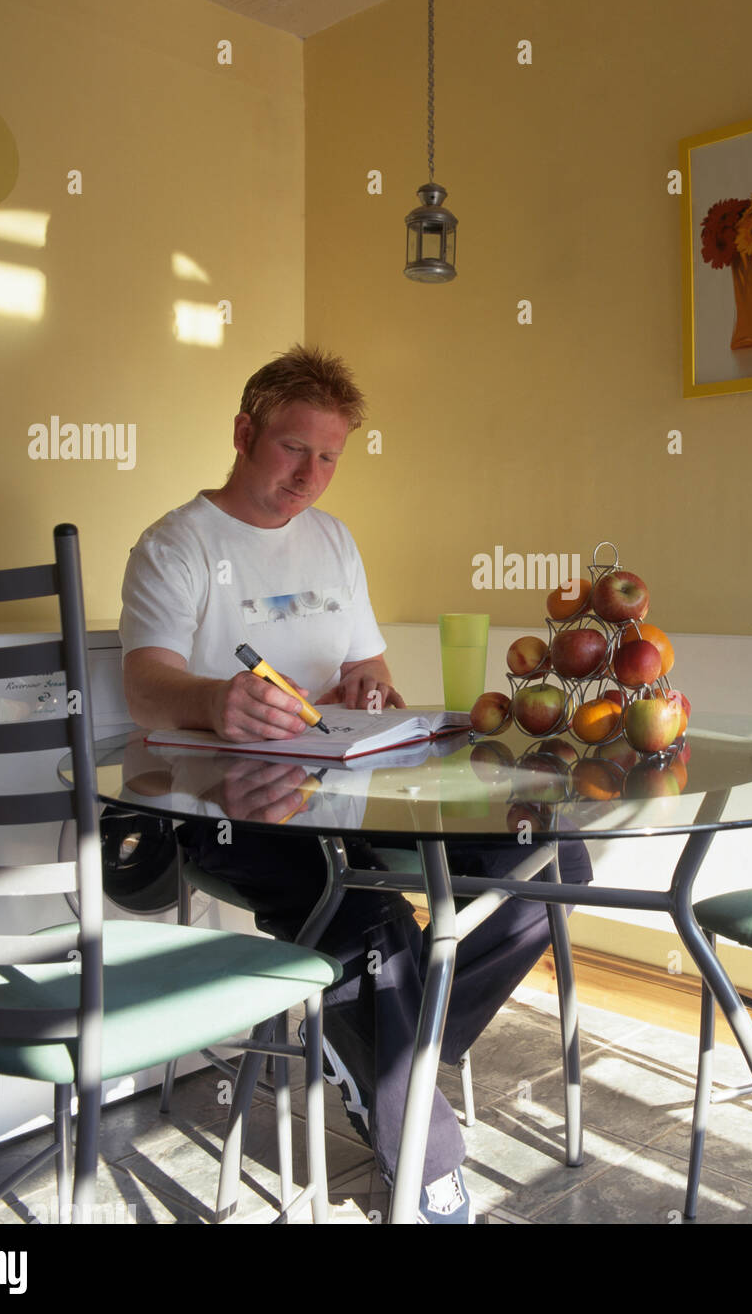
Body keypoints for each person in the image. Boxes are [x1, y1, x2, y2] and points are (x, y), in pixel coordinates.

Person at [118, 344, 590, 1223]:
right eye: (294, 449)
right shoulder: (175, 544)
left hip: (355, 793)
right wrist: (216, 700)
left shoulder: (333, 541)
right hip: (230, 814)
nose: (311, 474)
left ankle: (392, 1053)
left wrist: (372, 692)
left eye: (329, 456)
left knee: (550, 861)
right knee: (370, 923)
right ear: (244, 432)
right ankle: (424, 1147)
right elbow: (145, 682)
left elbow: (372, 675)